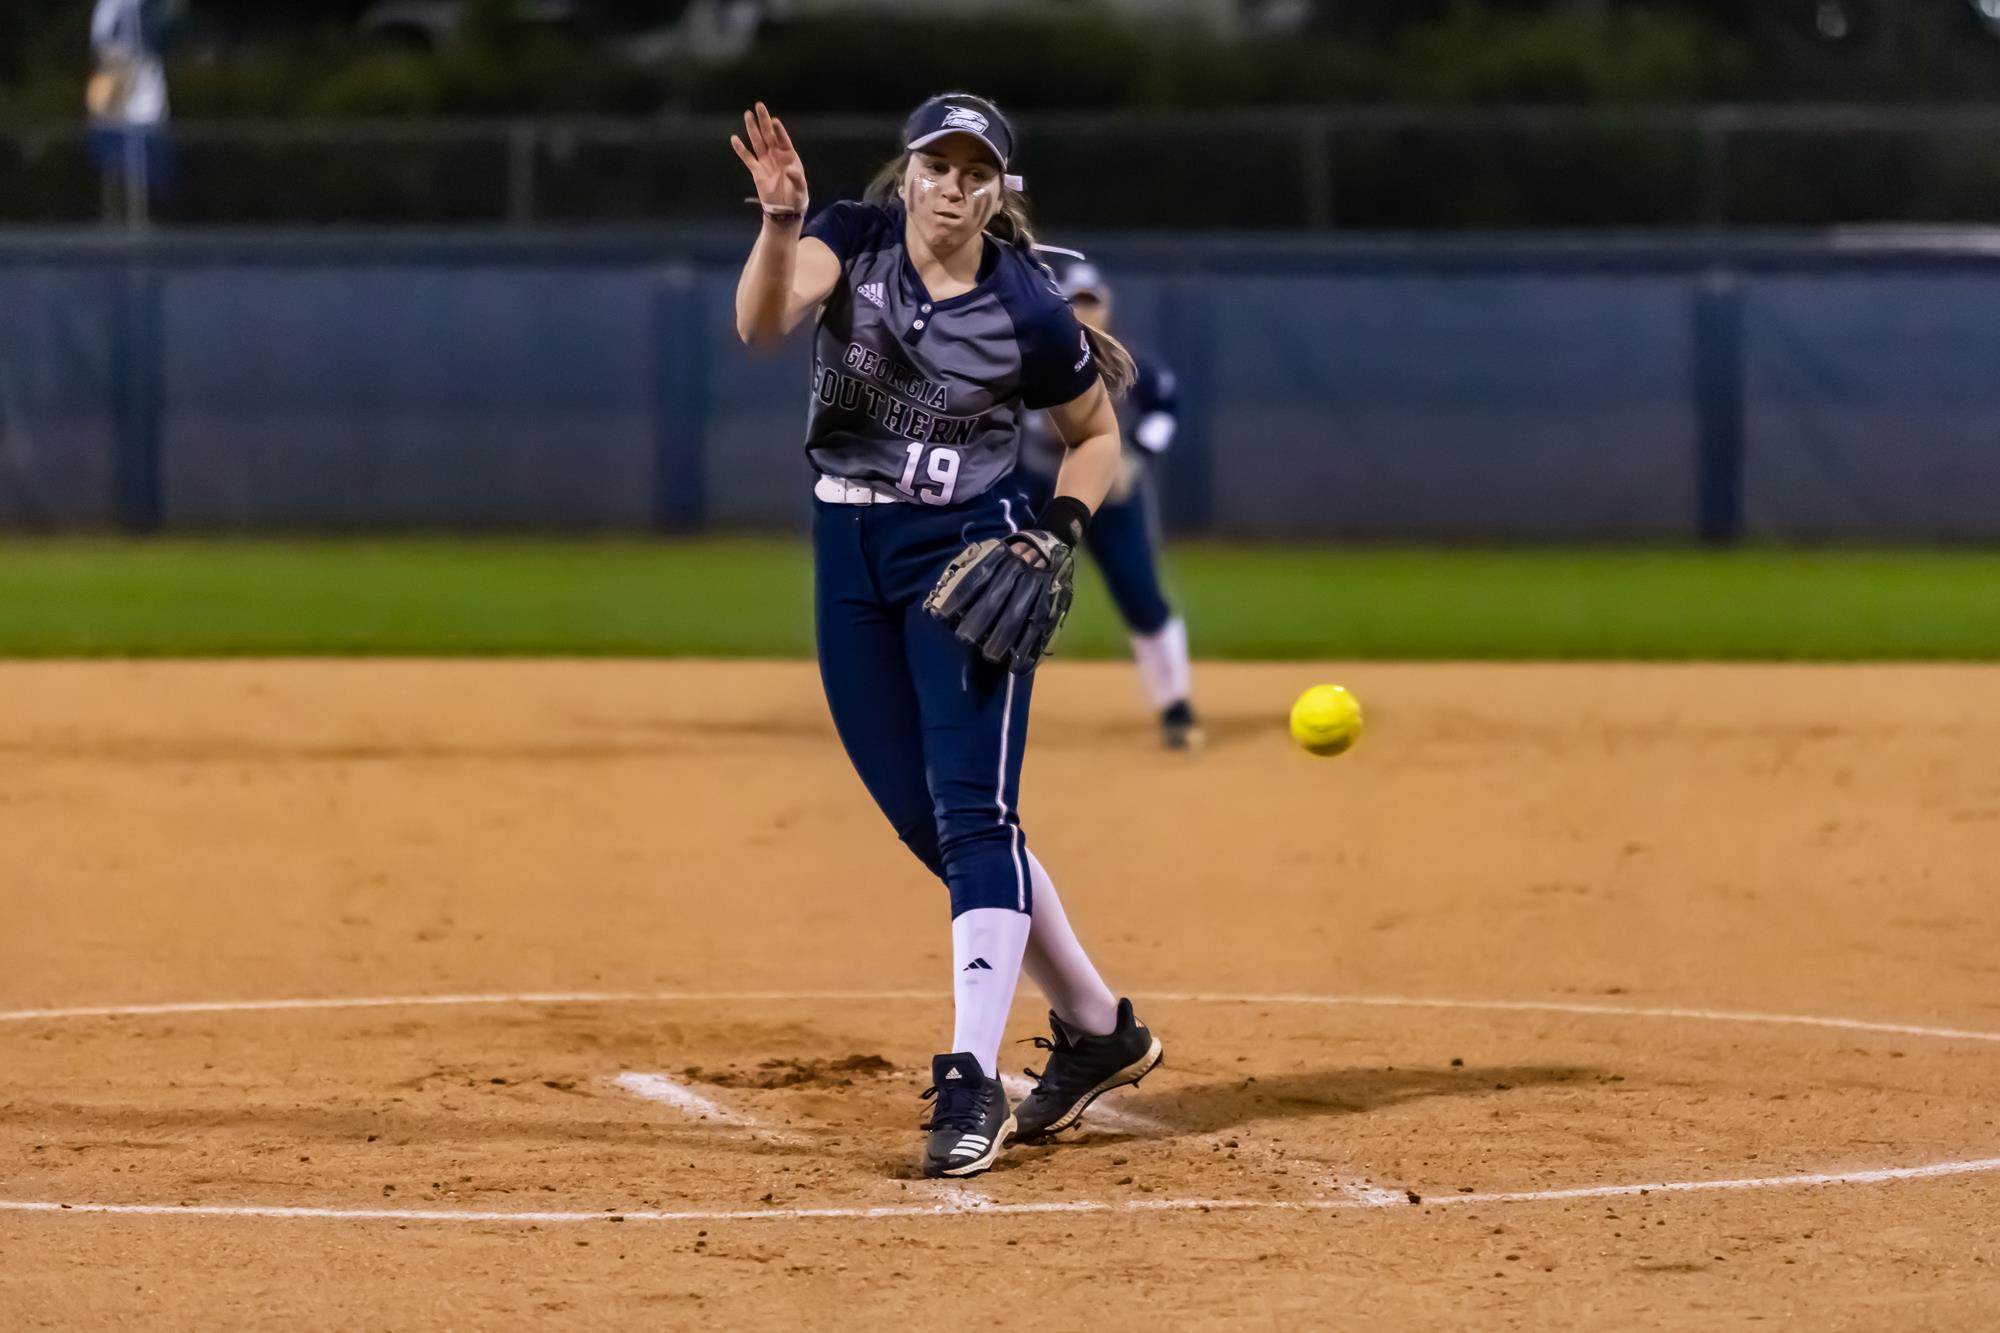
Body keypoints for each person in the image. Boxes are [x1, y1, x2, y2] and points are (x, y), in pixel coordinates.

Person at [730, 94, 1164, 1178]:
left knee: (975, 814)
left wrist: (1057, 530)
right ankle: (1101, 1029)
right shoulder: (851, 237)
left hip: (964, 557)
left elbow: (1095, 437)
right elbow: (761, 325)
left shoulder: (1026, 306)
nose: (953, 186)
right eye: (937, 164)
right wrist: (779, 224)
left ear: (995, 191)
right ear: (908, 171)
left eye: (976, 172)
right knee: (923, 820)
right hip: (848, 558)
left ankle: (970, 1079)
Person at [1015, 260, 1202, 750]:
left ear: (1105, 307)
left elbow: (1165, 406)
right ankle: (988, 710)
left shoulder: (1125, 359)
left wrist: (1139, 452)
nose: (1082, 311)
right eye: (1073, 301)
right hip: (1038, 486)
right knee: (1005, 597)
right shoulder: (1027, 352)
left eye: (1090, 302)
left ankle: (1176, 706)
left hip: (1112, 494)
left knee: (1140, 593)